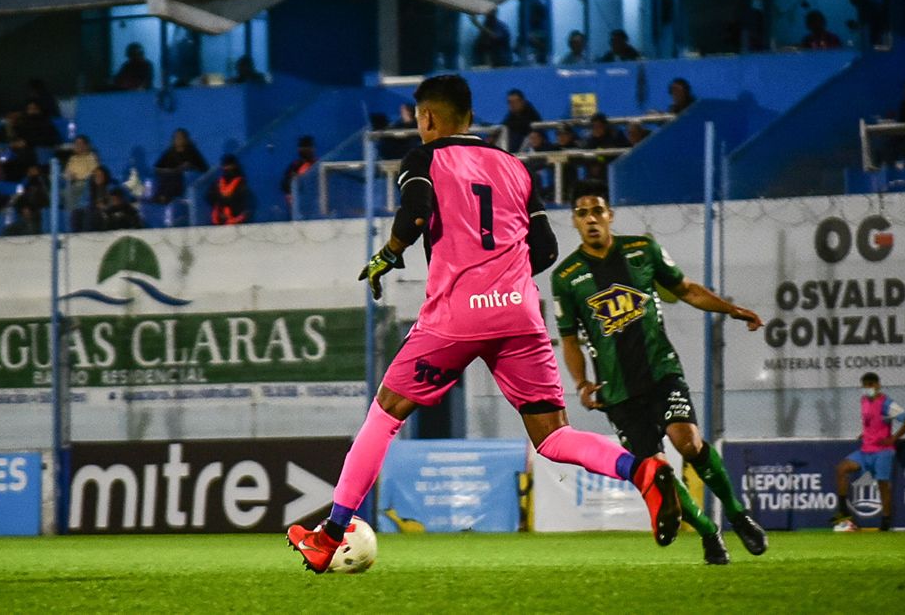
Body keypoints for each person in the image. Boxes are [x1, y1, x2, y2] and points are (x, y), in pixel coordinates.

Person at [287, 75, 681, 574]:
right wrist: (503, 279)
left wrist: (389, 255)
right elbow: (546, 250)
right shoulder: (514, 165)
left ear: (427, 117)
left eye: (418, 117)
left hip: (454, 316)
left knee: (385, 414)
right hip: (519, 311)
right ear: (469, 117)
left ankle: (330, 534)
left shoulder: (424, 160)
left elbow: (414, 212)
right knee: (553, 436)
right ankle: (643, 469)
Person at [552, 193, 768, 564]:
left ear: (610, 215)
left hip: (661, 372)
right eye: (582, 213)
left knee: (688, 442)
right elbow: (570, 339)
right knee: (659, 472)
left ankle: (736, 513)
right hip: (616, 390)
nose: (591, 219)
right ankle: (708, 532)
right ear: (574, 221)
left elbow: (685, 289)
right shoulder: (567, 277)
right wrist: (582, 383)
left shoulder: (642, 249)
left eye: (597, 211)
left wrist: (730, 310)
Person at [832, 373, 905, 532]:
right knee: (841, 469)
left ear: (878, 385)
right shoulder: (863, 401)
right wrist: (866, 432)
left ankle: (885, 521)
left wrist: (894, 437)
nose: (868, 388)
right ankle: (843, 512)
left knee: (882, 485)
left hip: (883, 451)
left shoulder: (887, 403)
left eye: (871, 384)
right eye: (865, 385)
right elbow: (871, 421)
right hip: (865, 450)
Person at [152, 128, 209, 202]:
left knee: (176, 177)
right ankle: (159, 197)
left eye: (181, 137)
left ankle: (165, 197)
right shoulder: (170, 152)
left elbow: (205, 169)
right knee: (167, 177)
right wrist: (170, 171)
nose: (179, 140)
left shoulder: (192, 151)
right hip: (169, 177)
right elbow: (157, 169)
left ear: (186, 139)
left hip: (185, 182)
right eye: (177, 137)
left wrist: (191, 167)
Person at [208, 155, 251, 225]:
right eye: (225, 166)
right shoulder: (217, 183)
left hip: (236, 223)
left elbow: (245, 202)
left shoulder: (241, 183)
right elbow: (209, 197)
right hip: (219, 223)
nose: (227, 168)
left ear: (235, 166)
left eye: (229, 166)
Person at [280, 135, 318, 210]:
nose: (304, 151)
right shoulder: (295, 165)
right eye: (302, 147)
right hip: (300, 205)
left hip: (315, 202)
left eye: (307, 147)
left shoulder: (318, 165)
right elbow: (285, 185)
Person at [502, 89, 542, 154]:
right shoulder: (511, 116)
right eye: (510, 102)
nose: (512, 105)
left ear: (522, 102)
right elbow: (504, 126)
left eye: (515, 102)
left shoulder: (531, 115)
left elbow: (524, 128)